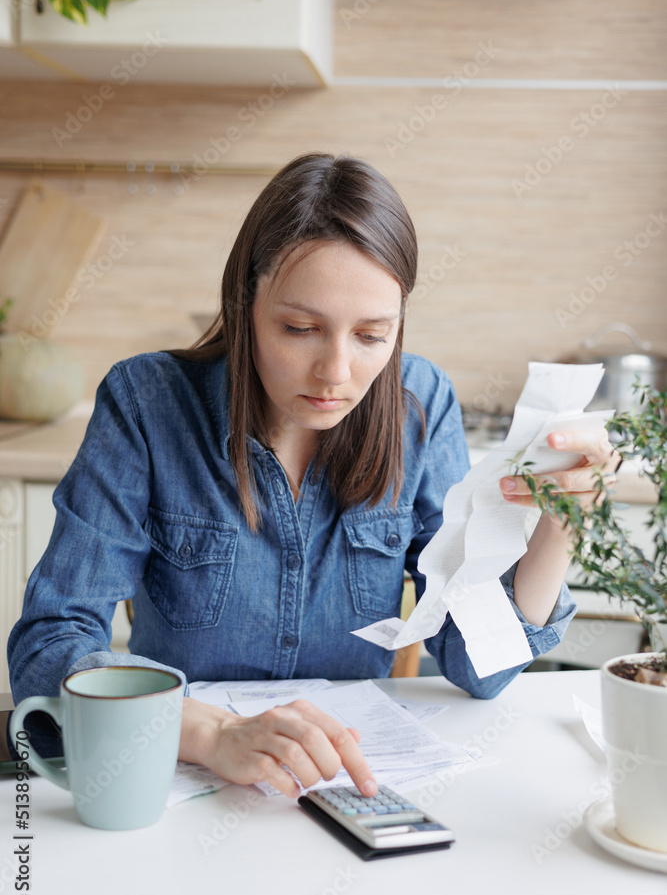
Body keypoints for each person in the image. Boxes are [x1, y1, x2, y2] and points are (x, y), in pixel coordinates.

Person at [8, 153, 618, 798]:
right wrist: (209, 734)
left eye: (372, 336)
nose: (336, 372)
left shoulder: (420, 404)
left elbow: (482, 669)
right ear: (246, 303)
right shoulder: (147, 402)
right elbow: (50, 642)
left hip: (349, 784)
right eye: (301, 329)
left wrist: (560, 522)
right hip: (185, 781)